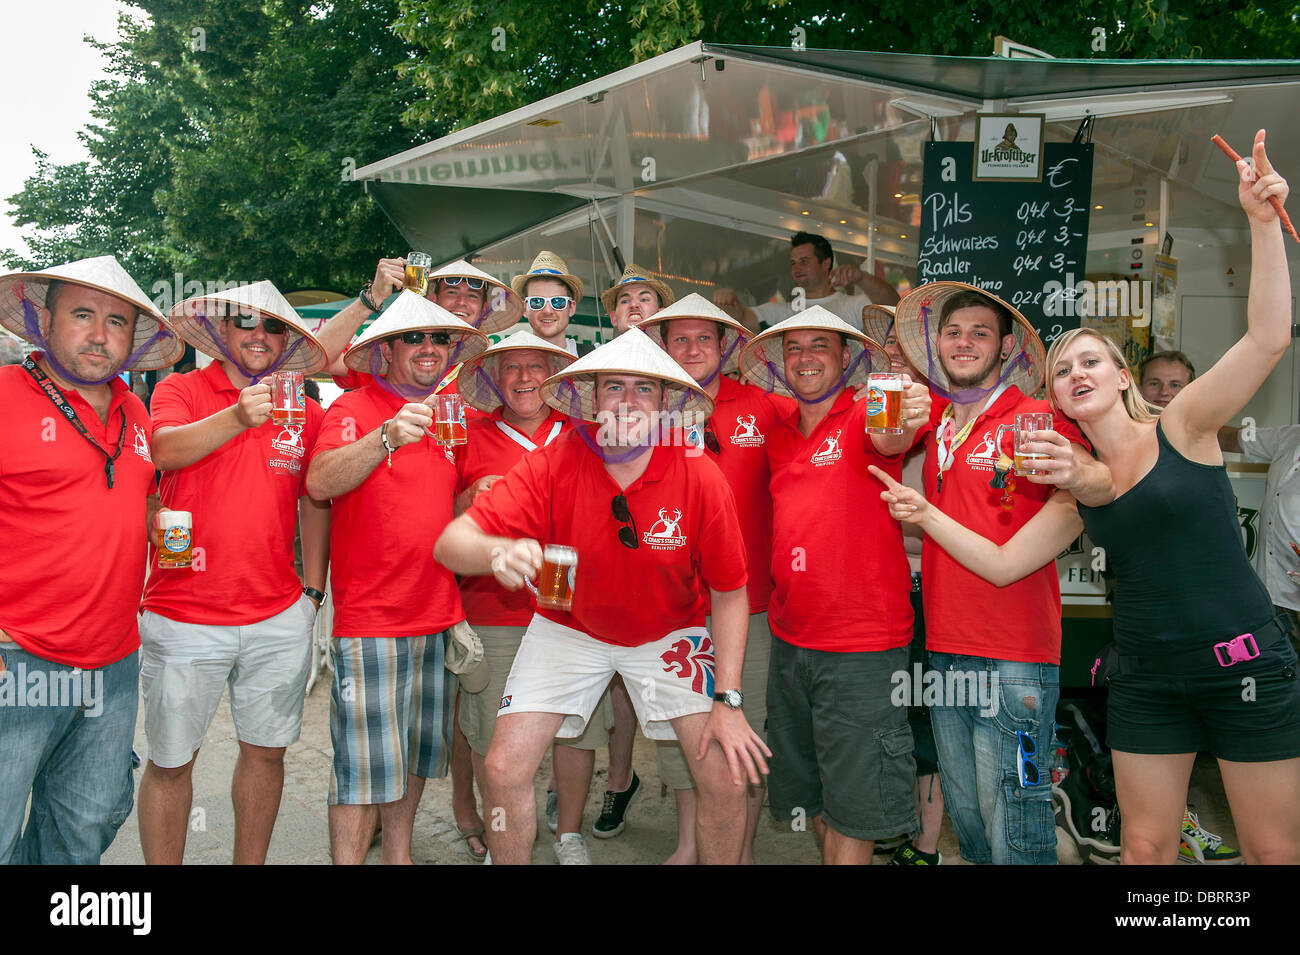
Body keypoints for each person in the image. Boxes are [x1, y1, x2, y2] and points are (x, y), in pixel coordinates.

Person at [874, 130, 1298, 865]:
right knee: (1142, 846)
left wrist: (1263, 222)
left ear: (1124, 375)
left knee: (1270, 851)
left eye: (1091, 359)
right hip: (1141, 677)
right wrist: (931, 505)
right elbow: (1021, 544)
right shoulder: (1075, 474)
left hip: (1240, 665)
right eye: (1065, 365)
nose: (1075, 371)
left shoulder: (1185, 424)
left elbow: (1266, 337)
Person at [435, 328, 770, 865]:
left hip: (669, 631)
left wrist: (728, 701)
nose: (629, 401)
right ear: (593, 397)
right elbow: (452, 543)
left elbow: (730, 592)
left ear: (665, 402)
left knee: (727, 777)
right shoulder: (557, 459)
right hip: (569, 627)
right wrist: (494, 555)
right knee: (502, 769)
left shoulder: (698, 472)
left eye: (644, 388)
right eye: (615, 386)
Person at [890, 280, 1114, 865]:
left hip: (1013, 658)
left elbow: (1088, 477)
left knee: (1018, 820)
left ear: (1007, 346)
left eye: (980, 333)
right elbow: (883, 432)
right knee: (967, 820)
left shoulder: (1038, 418)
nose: (965, 343)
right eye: (954, 332)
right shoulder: (939, 423)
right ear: (937, 344)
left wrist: (1081, 474)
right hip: (943, 649)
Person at [135, 281, 331, 865]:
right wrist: (237, 415)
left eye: (274, 328)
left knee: (267, 755)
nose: (260, 336)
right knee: (171, 763)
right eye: (246, 323)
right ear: (220, 331)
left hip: (278, 614)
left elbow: (313, 500)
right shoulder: (180, 388)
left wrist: (313, 593)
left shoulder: (306, 409)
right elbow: (164, 450)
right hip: (183, 613)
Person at [0, 255, 183, 863]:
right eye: (83, 315)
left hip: (112, 662)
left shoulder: (134, 411)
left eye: (118, 322)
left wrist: (154, 525)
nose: (101, 335)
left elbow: (130, 493)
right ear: (44, 319)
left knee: (85, 825)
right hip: (16, 659)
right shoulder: (4, 398)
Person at [736, 305, 930, 864]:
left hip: (861, 645)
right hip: (790, 638)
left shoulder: (866, 411)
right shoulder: (775, 434)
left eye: (820, 345)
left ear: (847, 359)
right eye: (794, 348)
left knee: (858, 800)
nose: (805, 358)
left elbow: (892, 436)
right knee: (812, 790)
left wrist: (903, 416)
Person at [305, 291, 488, 864]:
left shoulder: (453, 412)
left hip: (437, 615)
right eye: (414, 337)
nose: (429, 348)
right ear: (385, 350)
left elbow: (445, 508)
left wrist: (476, 498)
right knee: (361, 770)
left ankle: (399, 857)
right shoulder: (354, 408)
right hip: (372, 622)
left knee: (413, 758)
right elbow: (318, 482)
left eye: (440, 339)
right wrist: (385, 436)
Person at [639, 293, 791, 863]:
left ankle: (740, 850)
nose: (693, 348)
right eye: (681, 338)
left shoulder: (766, 406)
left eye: (706, 338)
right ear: (663, 346)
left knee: (740, 732)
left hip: (747, 607)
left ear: (727, 347)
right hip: (671, 607)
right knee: (682, 734)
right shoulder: (643, 408)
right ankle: (687, 844)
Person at [451, 328, 599, 863]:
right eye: (511, 367)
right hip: (493, 609)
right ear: (494, 377)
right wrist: (466, 499)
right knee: (494, 739)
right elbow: (441, 523)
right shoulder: (467, 432)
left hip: (576, 613)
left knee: (575, 733)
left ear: (556, 373)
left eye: (537, 366)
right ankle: (504, 842)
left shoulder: (587, 431)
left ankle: (568, 834)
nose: (524, 378)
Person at [862, 304, 946, 865]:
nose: (893, 346)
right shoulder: (868, 408)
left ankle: (927, 845)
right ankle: (892, 822)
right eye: (886, 338)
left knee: (923, 716)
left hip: (927, 589)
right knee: (880, 716)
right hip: (873, 591)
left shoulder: (947, 414)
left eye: (905, 338)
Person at [714, 231, 898, 333]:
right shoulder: (783, 311)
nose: (796, 269)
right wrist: (732, 307)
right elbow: (743, 319)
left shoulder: (853, 305)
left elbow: (892, 306)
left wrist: (862, 278)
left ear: (826, 263)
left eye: (804, 261)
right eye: (793, 263)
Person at [512, 251, 584, 355]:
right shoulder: (510, 361)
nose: (547, 311)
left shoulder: (597, 357)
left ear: (571, 308)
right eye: (537, 301)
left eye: (558, 301)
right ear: (524, 309)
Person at [603, 263, 675, 334]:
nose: (633, 305)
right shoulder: (601, 346)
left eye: (644, 299)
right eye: (625, 301)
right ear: (614, 318)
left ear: (661, 315)